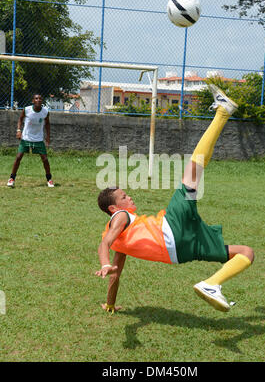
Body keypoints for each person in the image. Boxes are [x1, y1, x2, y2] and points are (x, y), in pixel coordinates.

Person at [95, 84, 254, 314]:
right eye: (123, 196)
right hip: (173, 228)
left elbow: (116, 274)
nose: (129, 197)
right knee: (192, 171)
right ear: (113, 207)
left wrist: (110, 303)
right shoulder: (120, 217)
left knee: (246, 252)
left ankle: (212, 284)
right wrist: (104, 263)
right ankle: (222, 111)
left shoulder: (123, 240)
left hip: (183, 250)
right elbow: (105, 243)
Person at [7, 94, 54, 188]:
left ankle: (49, 179)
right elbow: (20, 119)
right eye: (36, 98)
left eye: (40, 98)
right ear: (33, 101)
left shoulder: (45, 111)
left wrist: (48, 136)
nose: (39, 100)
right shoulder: (27, 109)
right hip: (26, 137)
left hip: (38, 138)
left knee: (45, 159)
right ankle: (12, 178)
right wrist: (18, 130)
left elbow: (47, 123)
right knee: (19, 157)